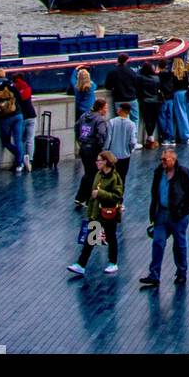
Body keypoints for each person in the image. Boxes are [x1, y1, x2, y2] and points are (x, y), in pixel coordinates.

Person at [140, 145, 189, 288]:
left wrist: (184, 211)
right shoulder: (159, 172)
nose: (163, 162)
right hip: (161, 214)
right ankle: (154, 275)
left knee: (179, 245)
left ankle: (181, 273)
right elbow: (154, 193)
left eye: (165, 160)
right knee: (157, 243)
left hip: (178, 216)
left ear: (173, 160)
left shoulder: (183, 173)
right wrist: (153, 212)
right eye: (161, 160)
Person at [67, 150, 123, 278]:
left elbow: (117, 196)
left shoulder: (115, 178)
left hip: (108, 213)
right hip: (97, 212)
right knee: (90, 239)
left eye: (99, 160)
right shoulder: (98, 174)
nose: (97, 162)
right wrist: (91, 212)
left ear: (106, 162)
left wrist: (100, 194)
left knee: (110, 237)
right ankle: (81, 264)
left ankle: (113, 262)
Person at [75, 98, 110, 207]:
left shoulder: (85, 115)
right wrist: (101, 147)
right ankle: (86, 198)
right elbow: (101, 134)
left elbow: (77, 126)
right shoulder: (100, 120)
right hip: (93, 149)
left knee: (88, 172)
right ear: (100, 108)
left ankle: (81, 197)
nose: (106, 110)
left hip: (84, 147)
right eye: (105, 108)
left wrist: (80, 139)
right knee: (93, 174)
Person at [0, 70, 23, 173]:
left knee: (6, 142)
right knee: (18, 140)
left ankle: (19, 155)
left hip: (4, 117)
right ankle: (20, 163)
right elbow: (19, 96)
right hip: (17, 114)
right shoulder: (10, 83)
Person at [104, 102, 138, 186]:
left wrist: (105, 150)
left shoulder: (112, 122)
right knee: (122, 177)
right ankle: (119, 195)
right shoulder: (132, 124)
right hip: (125, 156)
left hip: (112, 155)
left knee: (110, 176)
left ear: (121, 110)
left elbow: (108, 138)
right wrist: (130, 150)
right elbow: (133, 142)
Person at [12, 73, 38, 172]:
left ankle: (21, 161)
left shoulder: (14, 88)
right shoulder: (27, 87)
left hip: (22, 117)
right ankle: (30, 160)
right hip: (32, 115)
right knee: (30, 139)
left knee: (20, 140)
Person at [105, 52, 140, 125]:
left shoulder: (112, 72)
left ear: (118, 60)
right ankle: (133, 135)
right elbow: (136, 84)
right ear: (126, 61)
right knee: (135, 120)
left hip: (119, 99)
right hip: (132, 99)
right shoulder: (131, 72)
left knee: (122, 121)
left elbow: (108, 86)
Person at [137, 62, 161, 147]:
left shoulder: (141, 78)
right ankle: (150, 136)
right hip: (155, 100)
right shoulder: (156, 78)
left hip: (145, 100)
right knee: (153, 119)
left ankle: (150, 136)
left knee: (147, 119)